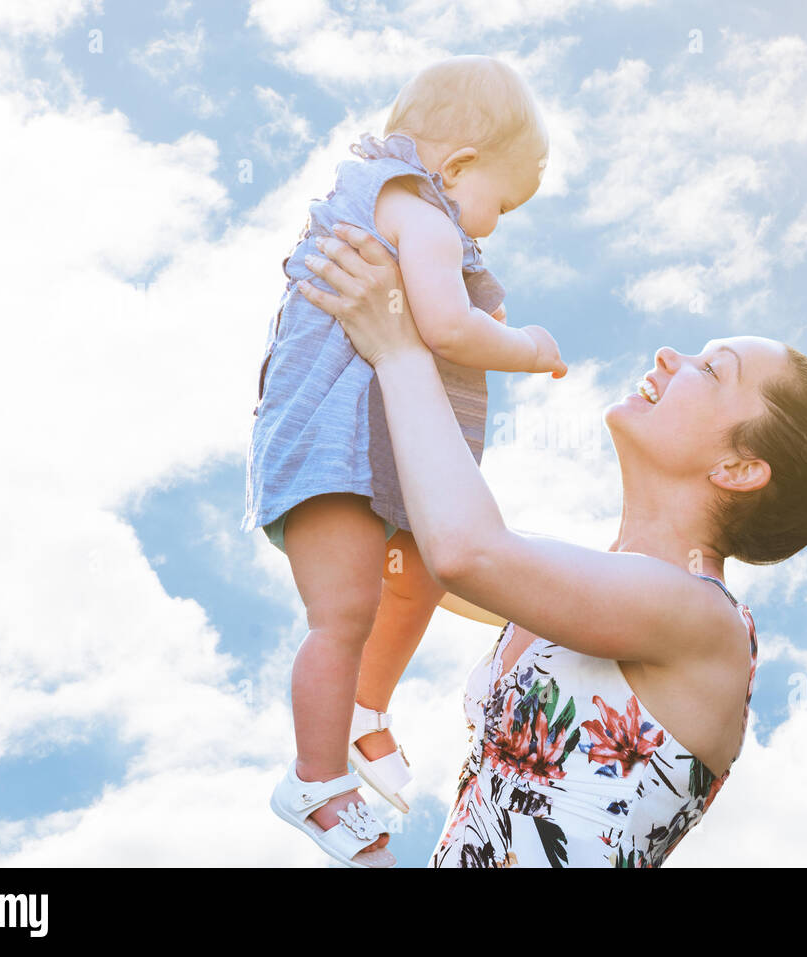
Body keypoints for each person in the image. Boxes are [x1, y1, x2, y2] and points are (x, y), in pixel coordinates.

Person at [295, 221, 807, 867]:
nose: (669, 355)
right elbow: (414, 562)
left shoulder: (704, 619)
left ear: (739, 468)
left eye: (712, 370)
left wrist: (400, 351)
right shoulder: (581, 595)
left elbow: (465, 552)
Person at [243, 56, 565, 868]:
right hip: (334, 452)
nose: (491, 226)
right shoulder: (415, 205)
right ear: (457, 168)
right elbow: (448, 326)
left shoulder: (420, 208)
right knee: (344, 611)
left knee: (421, 568)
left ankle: (362, 708)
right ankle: (315, 780)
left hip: (377, 455)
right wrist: (526, 348)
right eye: (501, 201)